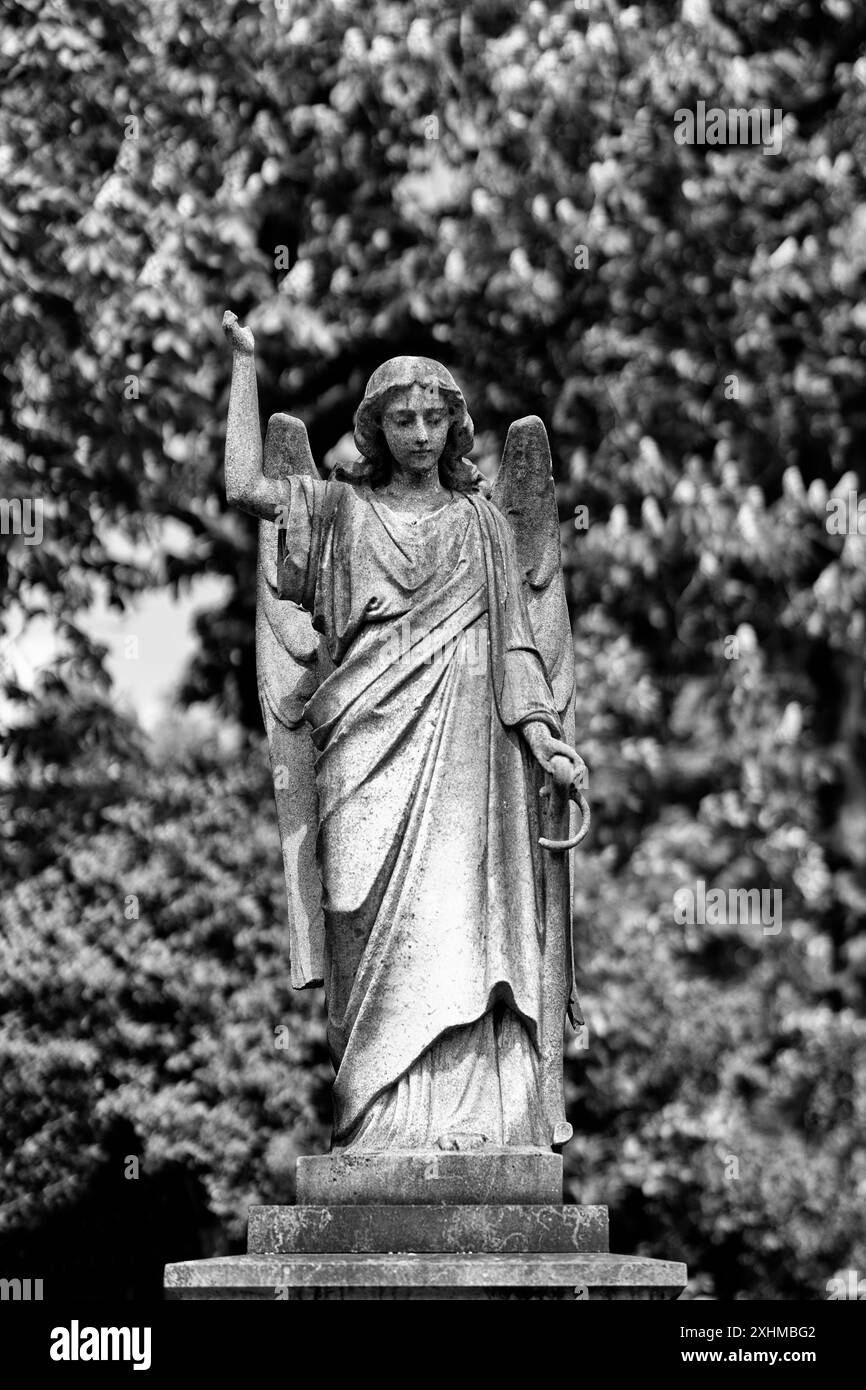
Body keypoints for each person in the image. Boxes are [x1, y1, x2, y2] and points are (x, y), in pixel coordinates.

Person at [223, 312, 585, 1152]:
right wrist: (245, 369)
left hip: (469, 757)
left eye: (434, 418)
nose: (420, 434)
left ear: (454, 425)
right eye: (401, 418)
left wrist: (545, 741)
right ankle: (377, 1126)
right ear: (376, 427)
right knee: (356, 906)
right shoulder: (337, 509)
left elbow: (518, 653)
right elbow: (245, 486)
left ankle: (477, 1122)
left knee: (465, 919)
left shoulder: (485, 525)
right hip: (359, 748)